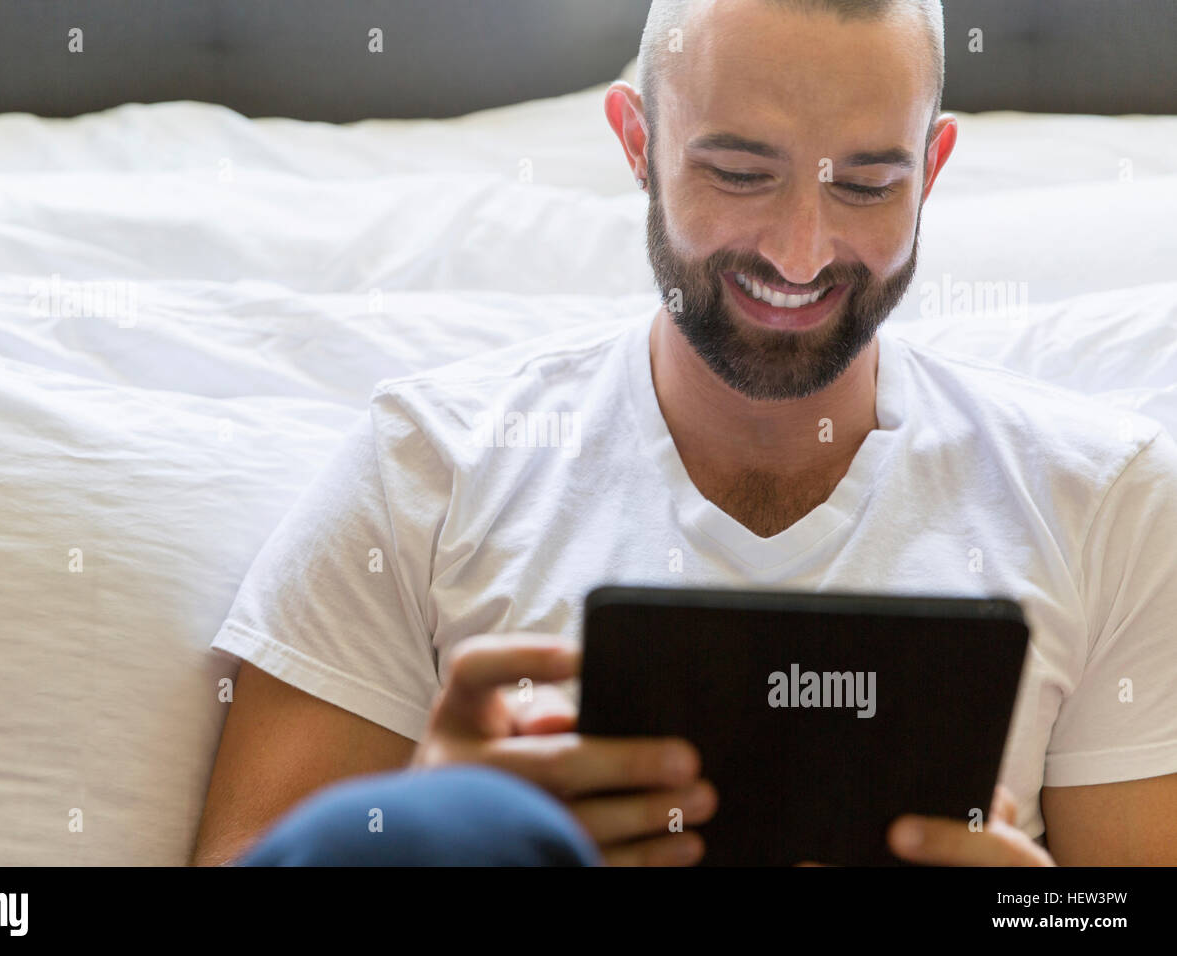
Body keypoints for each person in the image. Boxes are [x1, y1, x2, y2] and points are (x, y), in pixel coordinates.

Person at [192, 0, 1177, 866]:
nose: (801, 251)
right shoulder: (428, 468)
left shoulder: (1109, 499)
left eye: (867, 187)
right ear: (636, 141)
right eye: (740, 173)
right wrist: (427, 822)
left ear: (933, 166)